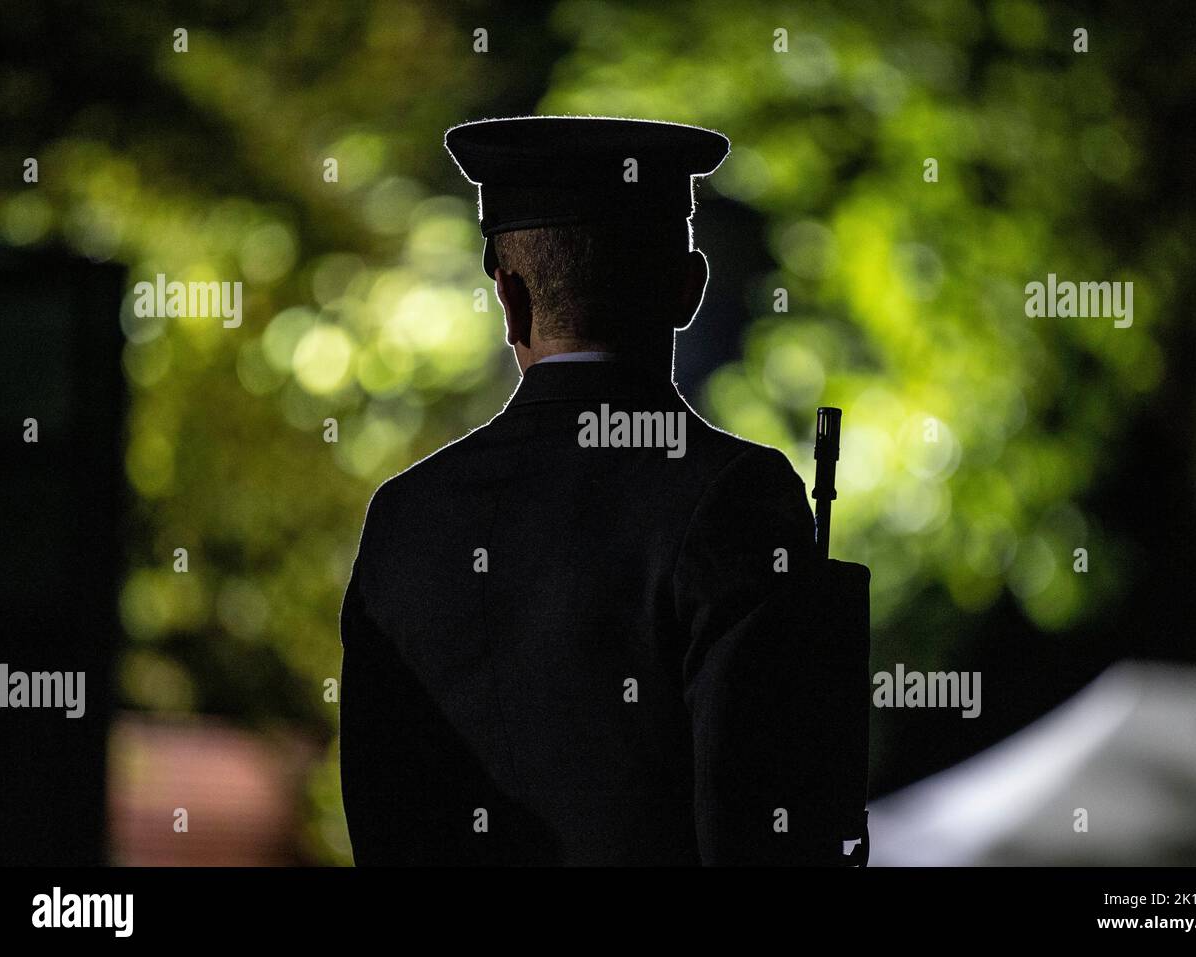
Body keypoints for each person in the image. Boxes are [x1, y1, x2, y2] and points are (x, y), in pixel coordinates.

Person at [340, 116, 864, 865]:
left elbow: (379, 815)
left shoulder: (404, 517)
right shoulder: (734, 497)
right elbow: (768, 825)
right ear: (688, 289)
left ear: (510, 297)